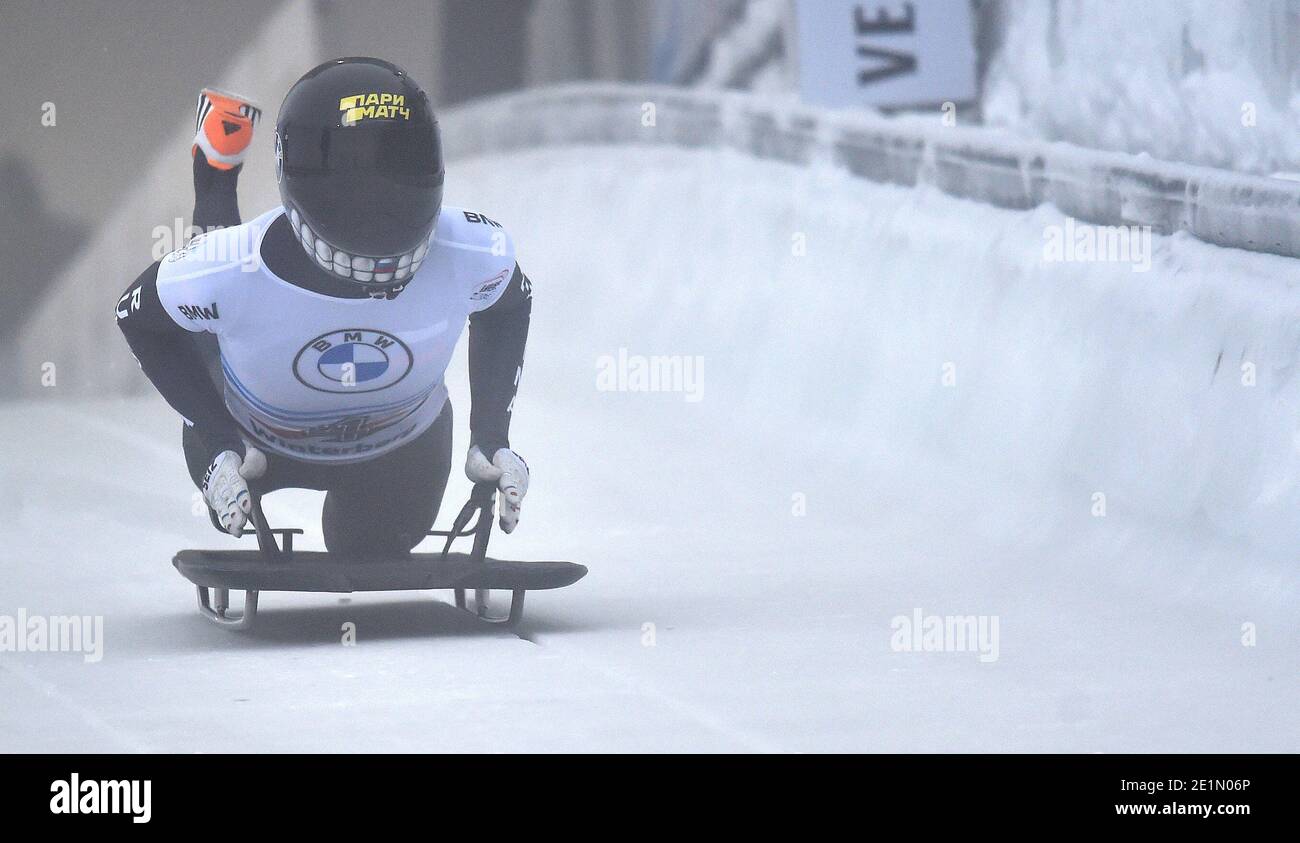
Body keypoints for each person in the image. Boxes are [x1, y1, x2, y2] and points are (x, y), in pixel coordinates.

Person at [116, 58, 531, 556]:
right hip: (255, 445)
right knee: (211, 331)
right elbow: (139, 317)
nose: (378, 257)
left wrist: (491, 436)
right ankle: (216, 175)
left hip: (400, 450)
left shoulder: (474, 251)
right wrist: (218, 436)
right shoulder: (228, 266)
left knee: (370, 546)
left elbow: (508, 306)